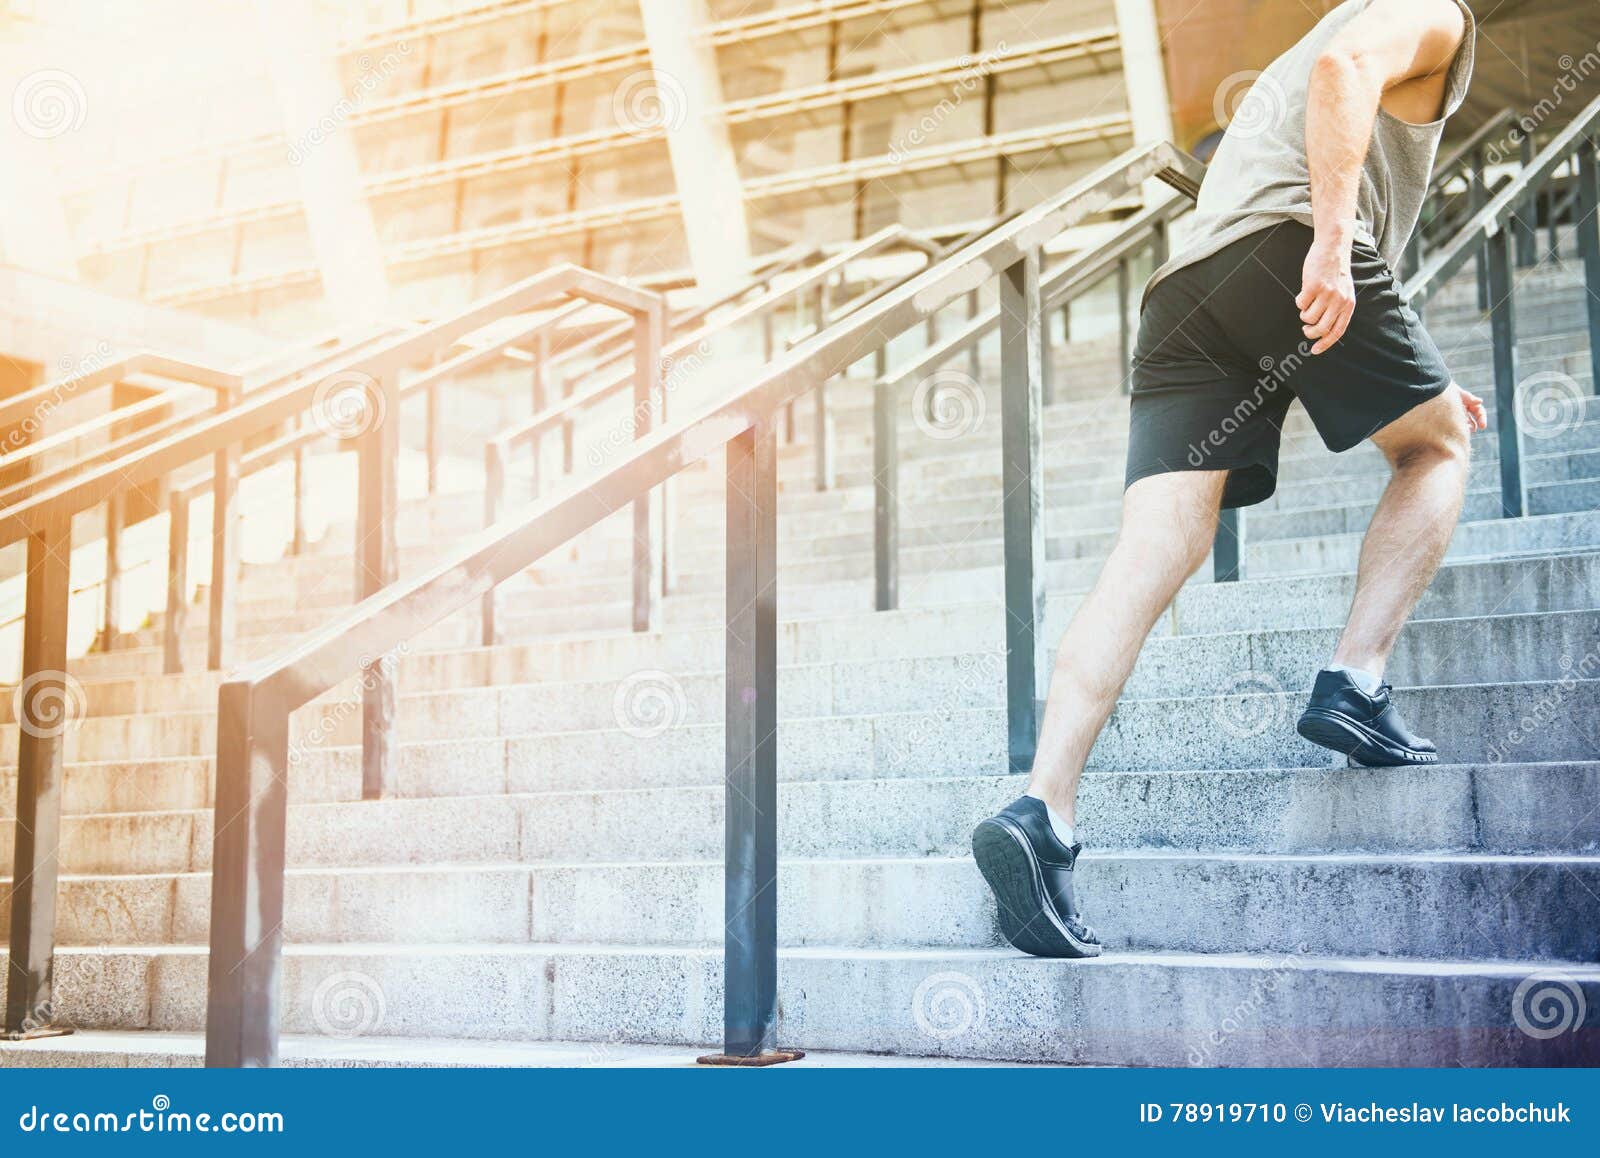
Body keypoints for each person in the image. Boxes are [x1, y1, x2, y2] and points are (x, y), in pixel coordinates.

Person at [972, 0, 1484, 959]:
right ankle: (1355, 680)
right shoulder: (1433, 13)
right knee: (1439, 447)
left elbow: (1326, 100)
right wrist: (1332, 246)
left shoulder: (1342, 19)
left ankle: (1043, 811)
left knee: (1155, 547)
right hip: (1289, 248)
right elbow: (1344, 74)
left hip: (1187, 289)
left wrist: (1420, 362)